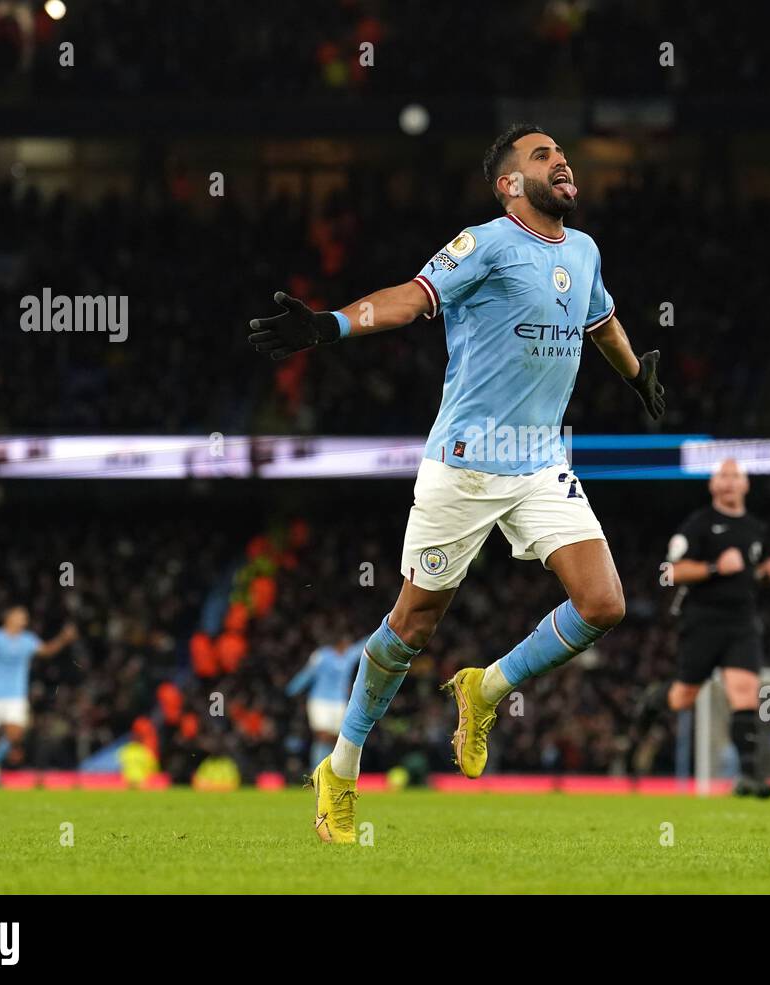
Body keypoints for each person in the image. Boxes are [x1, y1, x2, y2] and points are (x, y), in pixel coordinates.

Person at [247, 123, 666, 843]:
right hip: (466, 465)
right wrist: (330, 327)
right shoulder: (486, 243)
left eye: (561, 152)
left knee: (603, 603)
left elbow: (602, 322)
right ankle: (341, 769)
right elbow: (412, 299)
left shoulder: (586, 250)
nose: (561, 160)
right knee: (412, 625)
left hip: (540, 462)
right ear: (509, 184)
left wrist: (637, 375)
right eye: (542, 155)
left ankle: (487, 686)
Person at [657, 459, 770, 797]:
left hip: (742, 622)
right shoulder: (698, 524)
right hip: (702, 621)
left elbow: (748, 573)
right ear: (713, 486)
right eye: (722, 476)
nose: (728, 482)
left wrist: (766, 572)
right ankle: (649, 703)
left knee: (744, 695)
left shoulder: (756, 528)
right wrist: (715, 566)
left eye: (734, 476)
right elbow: (668, 573)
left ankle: (749, 777)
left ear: (746, 485)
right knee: (682, 698)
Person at [0, 607, 77, 788]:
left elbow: (46, 651)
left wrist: (63, 639)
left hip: (15, 695)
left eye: (25, 618)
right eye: (20, 617)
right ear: (8, 618)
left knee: (15, 734)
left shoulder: (27, 640)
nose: (23, 621)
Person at [285, 635, 365, 770]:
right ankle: (317, 772)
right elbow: (308, 673)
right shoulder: (321, 655)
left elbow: (365, 645)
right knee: (322, 736)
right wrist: (293, 688)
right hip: (319, 701)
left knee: (336, 739)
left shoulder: (349, 656)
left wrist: (388, 625)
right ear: (338, 644)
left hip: (339, 702)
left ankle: (332, 772)